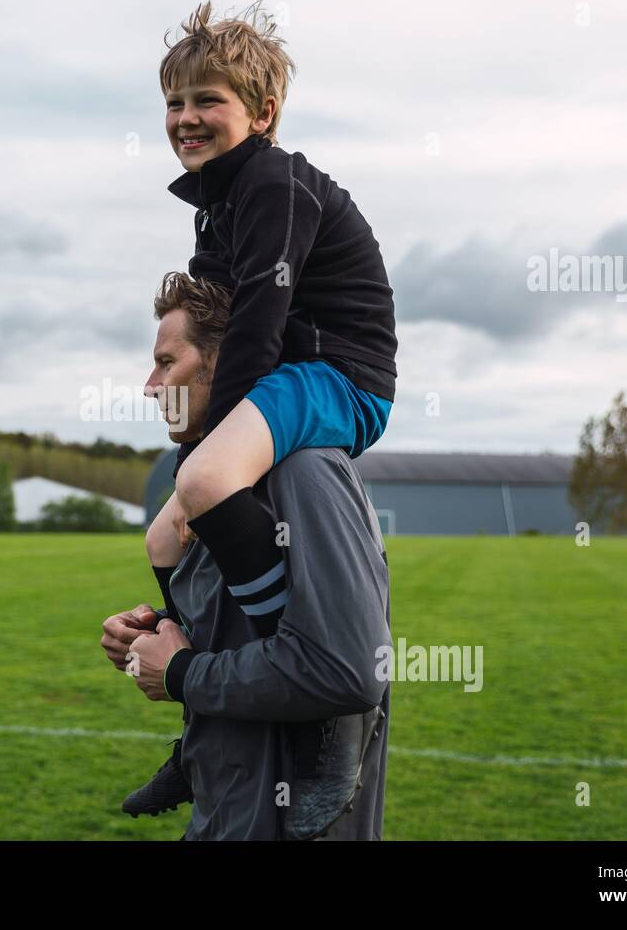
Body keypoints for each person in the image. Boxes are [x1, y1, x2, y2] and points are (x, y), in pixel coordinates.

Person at [133, 0, 399, 815]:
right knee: (165, 531)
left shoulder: (274, 185)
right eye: (176, 102)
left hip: (337, 376)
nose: (187, 117)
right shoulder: (217, 206)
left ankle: (328, 722)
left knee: (207, 478)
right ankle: (197, 729)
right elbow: (217, 318)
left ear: (263, 112)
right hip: (292, 373)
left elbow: (254, 324)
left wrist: (209, 444)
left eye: (209, 99)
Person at [102, 272, 392, 839]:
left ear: (224, 360)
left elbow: (350, 671)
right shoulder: (220, 485)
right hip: (223, 814)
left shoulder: (304, 472)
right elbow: (253, 641)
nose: (150, 386)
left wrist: (182, 673)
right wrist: (156, 636)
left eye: (166, 362)